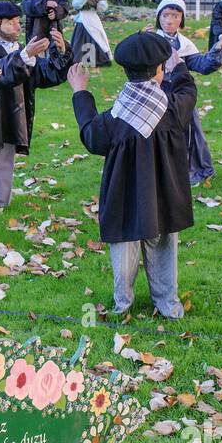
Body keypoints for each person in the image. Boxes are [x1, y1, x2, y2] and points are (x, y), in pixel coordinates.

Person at [70, 31, 197, 319]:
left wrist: (80, 91)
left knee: (124, 249)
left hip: (124, 196)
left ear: (126, 72)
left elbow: (90, 135)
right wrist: (180, 68)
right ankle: (167, 304)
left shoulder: (113, 118)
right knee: (164, 243)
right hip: (164, 196)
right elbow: (188, 93)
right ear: (160, 71)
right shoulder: (173, 108)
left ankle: (123, 302)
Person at [0, 0, 72, 216]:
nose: (17, 27)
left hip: (17, 113)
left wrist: (62, 51)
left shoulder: (23, 51)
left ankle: (0, 201)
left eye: (18, 22)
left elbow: (48, 75)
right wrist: (25, 55)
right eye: (11, 23)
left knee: (7, 158)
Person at [154, 0, 222, 185]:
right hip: (157, 95)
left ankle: (195, 170)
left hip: (182, 95)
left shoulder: (185, 45)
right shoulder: (151, 41)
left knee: (191, 131)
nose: (170, 20)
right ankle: (159, 171)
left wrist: (216, 50)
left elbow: (202, 65)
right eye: (166, 15)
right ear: (159, 17)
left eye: (176, 16)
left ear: (182, 19)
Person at [69, 0, 111, 67]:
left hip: (93, 17)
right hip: (83, 17)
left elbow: (103, 6)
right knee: (81, 38)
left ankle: (98, 59)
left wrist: (99, 5)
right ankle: (80, 59)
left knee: (97, 36)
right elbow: (75, 4)